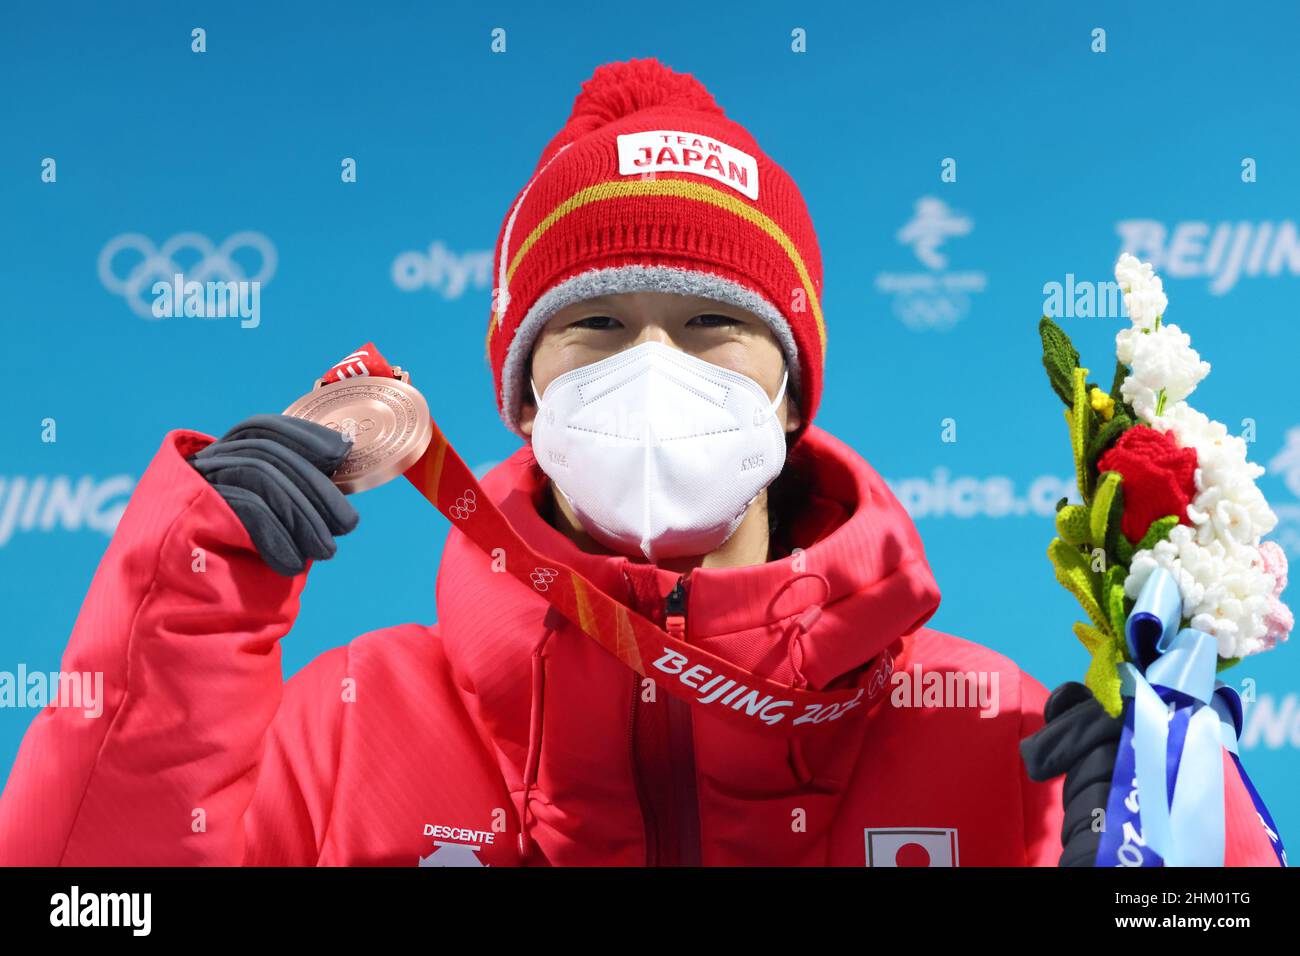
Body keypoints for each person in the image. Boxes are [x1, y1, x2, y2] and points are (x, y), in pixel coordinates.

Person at [0, 57, 1276, 867]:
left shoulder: (986, 730)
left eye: (714, 324)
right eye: (597, 327)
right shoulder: (352, 727)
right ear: (523, 394)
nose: (654, 363)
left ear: (789, 399)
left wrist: (1172, 859)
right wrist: (187, 600)